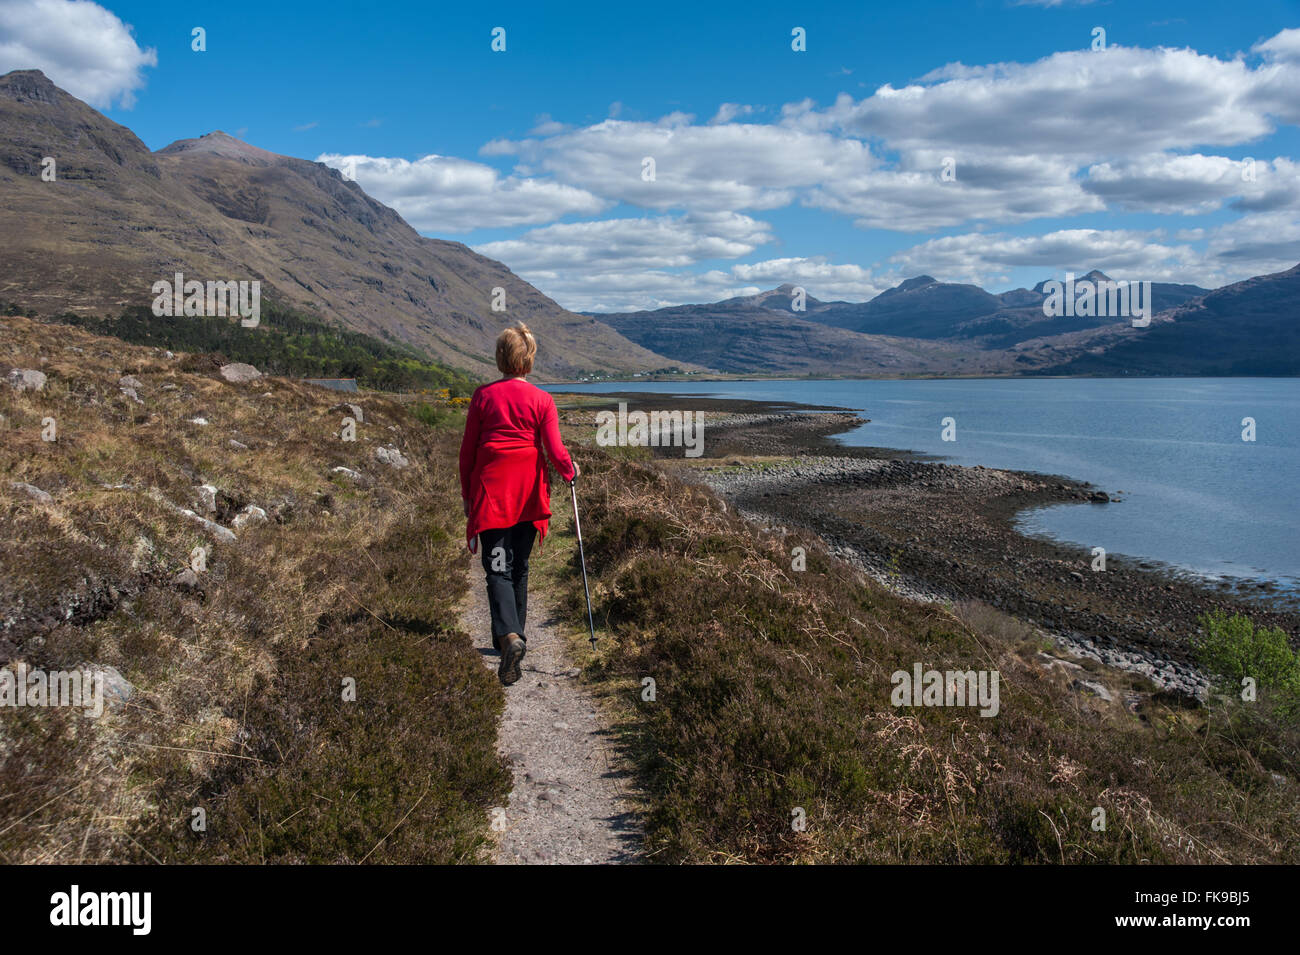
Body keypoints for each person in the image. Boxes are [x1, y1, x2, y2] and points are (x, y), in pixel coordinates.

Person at [459, 322, 578, 685]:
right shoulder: (542, 400)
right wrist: (570, 472)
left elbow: (467, 453)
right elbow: (555, 450)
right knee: (519, 566)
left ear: (501, 358)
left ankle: (509, 637)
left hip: (493, 492)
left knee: (498, 567)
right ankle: (515, 637)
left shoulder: (483, 397)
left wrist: (467, 496)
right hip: (528, 492)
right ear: (529, 359)